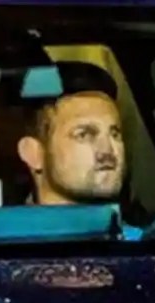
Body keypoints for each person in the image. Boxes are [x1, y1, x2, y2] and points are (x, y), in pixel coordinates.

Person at [16, 62, 142, 240]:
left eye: (114, 134)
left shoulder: (144, 244)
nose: (107, 151)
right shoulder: (4, 251)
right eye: (84, 135)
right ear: (33, 153)